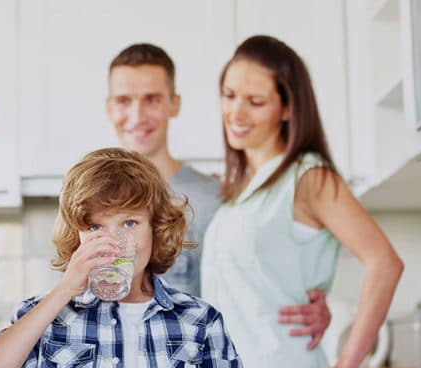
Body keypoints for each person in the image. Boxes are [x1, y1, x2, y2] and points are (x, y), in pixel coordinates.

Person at [200, 35, 404, 368]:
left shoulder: (308, 176)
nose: (235, 113)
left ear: (288, 107)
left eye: (255, 102)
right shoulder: (245, 189)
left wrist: (345, 366)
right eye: (229, 95)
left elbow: (384, 262)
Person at [0, 148, 248, 368]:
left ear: (156, 227)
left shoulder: (199, 320)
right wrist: (64, 290)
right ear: (76, 236)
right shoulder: (50, 313)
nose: (115, 242)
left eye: (130, 223)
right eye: (95, 227)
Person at [107, 43, 331, 350]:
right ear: (109, 107)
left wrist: (315, 305)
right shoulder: (89, 200)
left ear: (175, 104)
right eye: (124, 101)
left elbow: (259, 280)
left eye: (152, 99)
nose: (137, 115)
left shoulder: (219, 198)